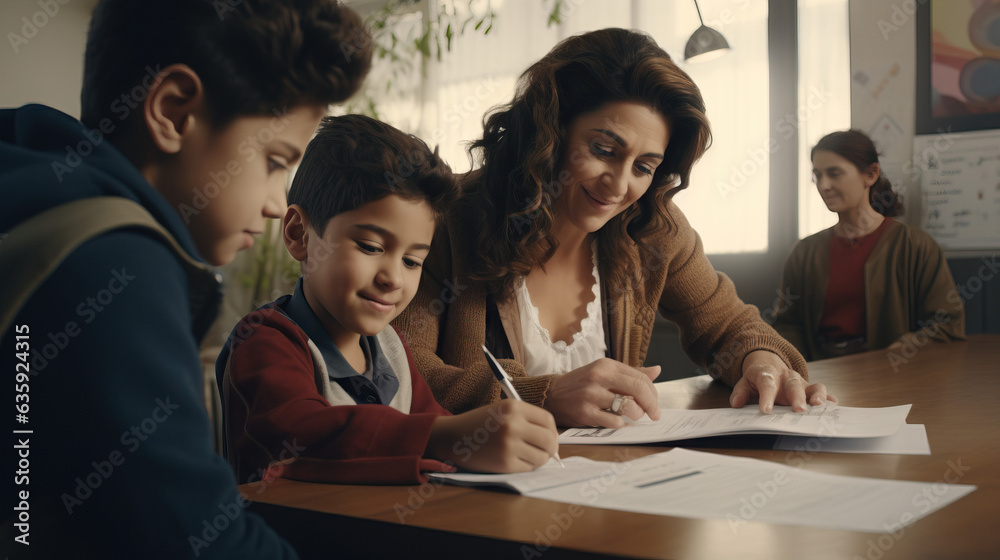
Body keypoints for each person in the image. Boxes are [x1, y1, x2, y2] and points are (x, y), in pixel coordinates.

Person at [0, 0, 371, 557]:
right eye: (274, 161)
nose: (278, 203)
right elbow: (195, 536)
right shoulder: (116, 261)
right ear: (173, 113)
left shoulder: (41, 202)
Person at [392, 28, 835, 429]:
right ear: (549, 132)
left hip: (608, 476)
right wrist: (542, 395)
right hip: (466, 484)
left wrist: (761, 360)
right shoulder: (446, 219)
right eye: (603, 150)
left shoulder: (652, 228)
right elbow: (399, 367)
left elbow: (726, 325)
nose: (620, 186)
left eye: (644, 166)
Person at [217, 115, 559, 485]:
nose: (393, 278)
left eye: (412, 261)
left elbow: (436, 425)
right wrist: (445, 438)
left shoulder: (391, 347)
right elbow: (304, 438)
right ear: (299, 234)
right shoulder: (262, 342)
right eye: (370, 247)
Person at [772, 129, 965, 360]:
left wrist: (903, 349)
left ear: (871, 174)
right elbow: (786, 324)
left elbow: (947, 323)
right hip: (819, 373)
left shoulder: (914, 246)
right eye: (817, 175)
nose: (824, 185)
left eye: (834, 173)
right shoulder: (804, 252)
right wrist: (799, 366)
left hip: (890, 372)